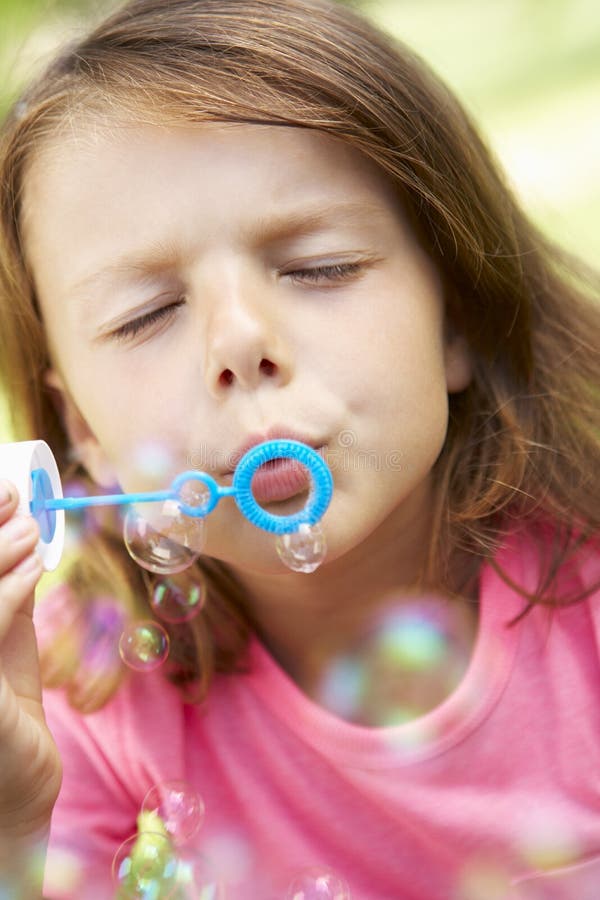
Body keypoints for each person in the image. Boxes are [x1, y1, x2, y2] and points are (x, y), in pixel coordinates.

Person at [0, 0, 599, 896]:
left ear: (457, 320)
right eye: (147, 314)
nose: (240, 341)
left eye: (319, 265)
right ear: (84, 430)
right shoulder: (73, 694)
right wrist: (14, 820)